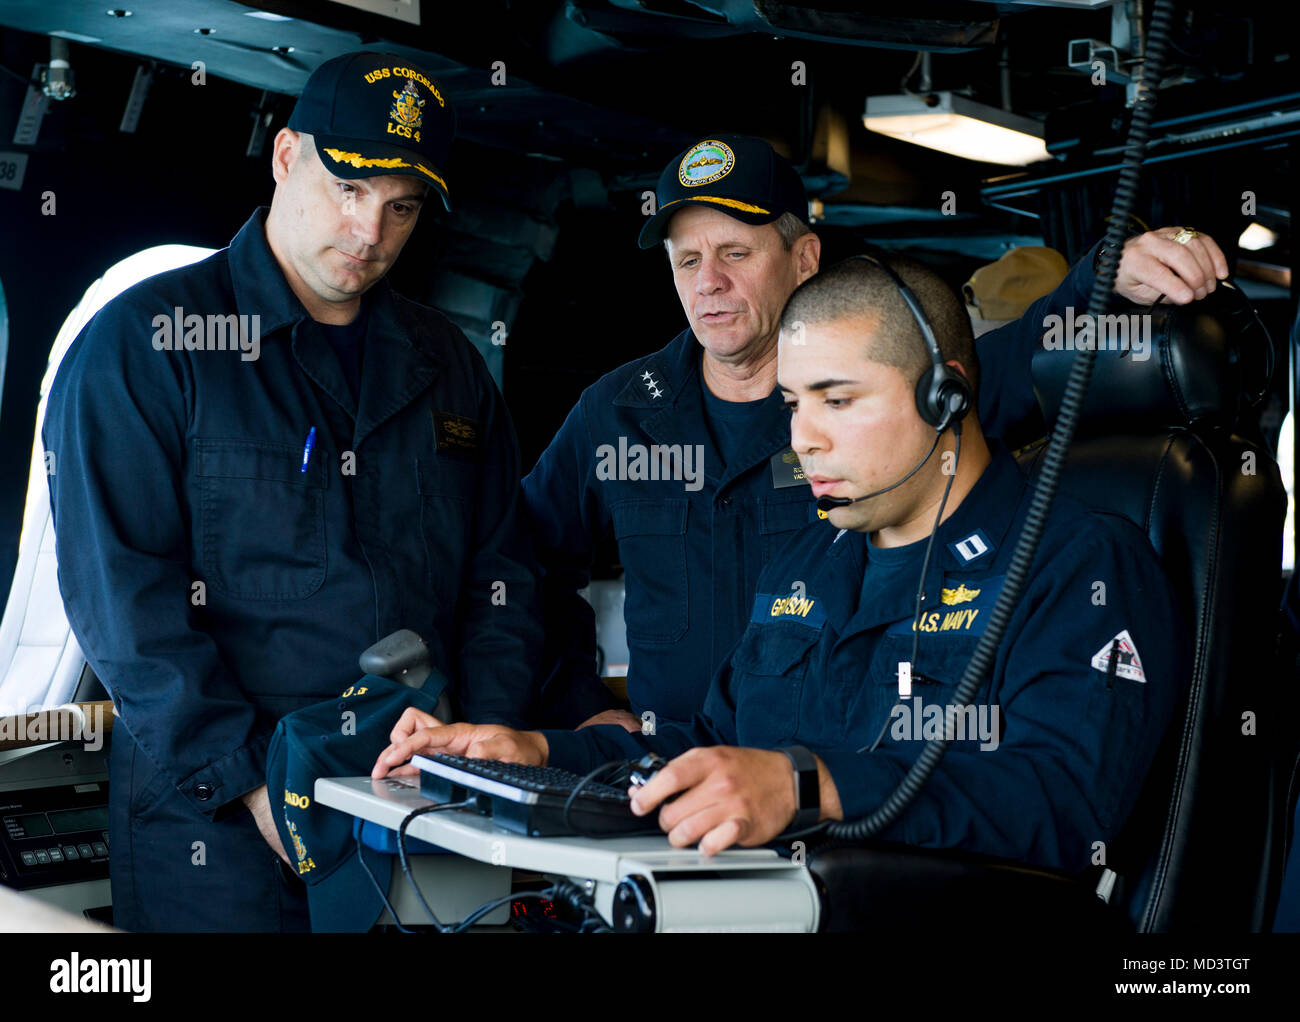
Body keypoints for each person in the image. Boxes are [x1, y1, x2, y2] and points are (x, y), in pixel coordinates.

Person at [375, 253, 1188, 872]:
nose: (804, 439)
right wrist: (541, 753)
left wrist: (808, 785)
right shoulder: (809, 564)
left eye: (838, 400)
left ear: (948, 393)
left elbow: (1067, 799)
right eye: (795, 405)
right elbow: (708, 744)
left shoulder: (1077, 565)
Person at [42, 51, 542, 932]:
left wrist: (483, 761)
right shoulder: (149, 344)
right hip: (215, 818)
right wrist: (248, 789)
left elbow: (501, 580)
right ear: (284, 157)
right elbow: (125, 602)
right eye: (348, 188)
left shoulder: (451, 369)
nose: (368, 230)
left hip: (412, 799)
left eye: (401, 206)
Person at [525, 133, 1225, 735]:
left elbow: (1021, 354)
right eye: (688, 260)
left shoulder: (901, 386)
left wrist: (1105, 277)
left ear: (804, 260)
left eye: (735, 254)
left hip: (822, 781)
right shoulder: (615, 414)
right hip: (665, 775)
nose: (708, 283)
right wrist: (577, 702)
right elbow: (522, 558)